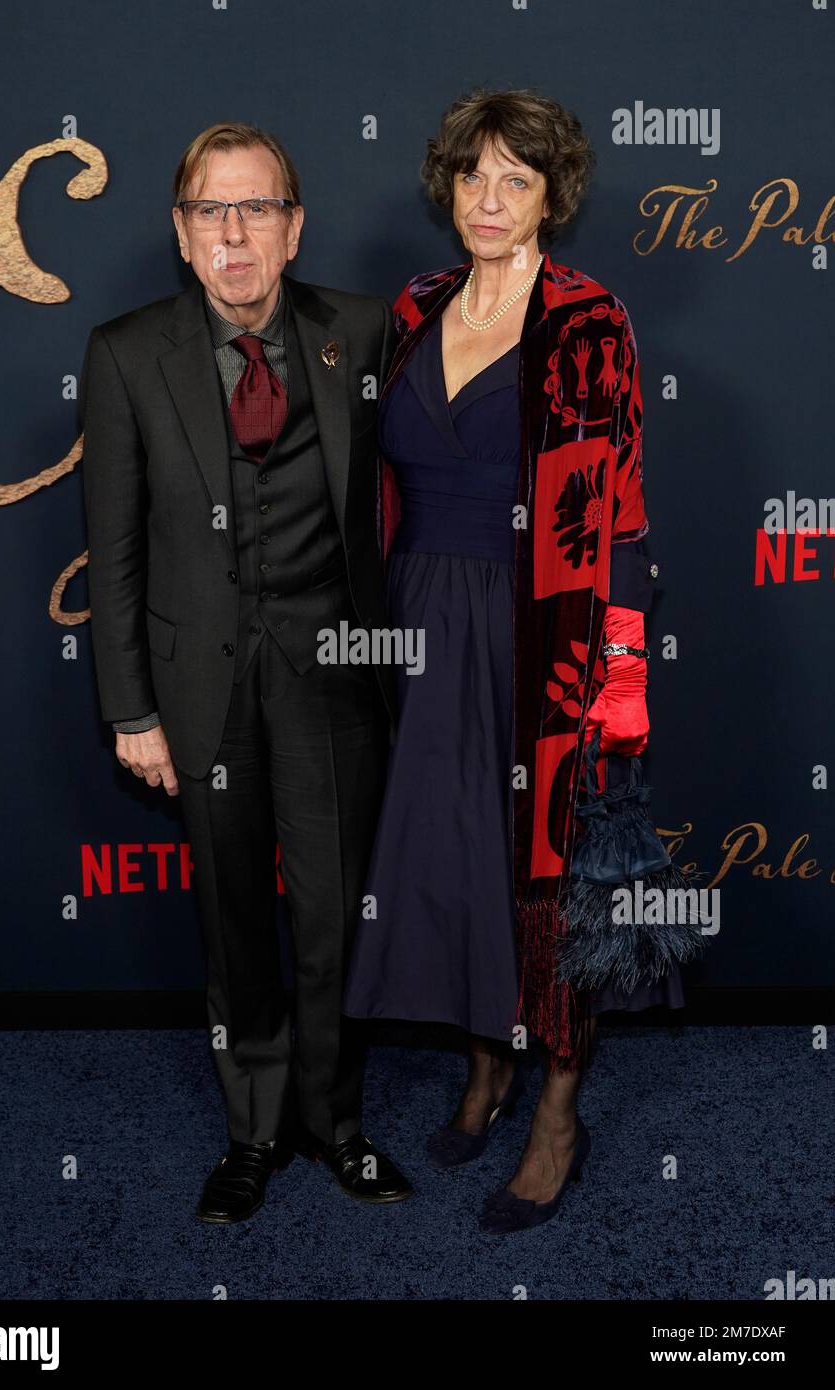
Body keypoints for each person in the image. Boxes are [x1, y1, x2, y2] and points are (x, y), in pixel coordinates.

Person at [344, 88, 680, 1234]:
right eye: (472, 177)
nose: (489, 201)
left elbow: (621, 511)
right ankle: (487, 1063)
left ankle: (557, 1111)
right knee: (451, 855)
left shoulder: (590, 321)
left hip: (540, 634)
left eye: (517, 181)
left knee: (549, 869)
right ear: (446, 186)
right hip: (416, 619)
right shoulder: (413, 303)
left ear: (552, 197)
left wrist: (617, 681)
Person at [80, 121, 412, 1225]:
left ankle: (337, 1123)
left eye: (256, 209)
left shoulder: (360, 335)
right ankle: (255, 1133)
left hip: (333, 682)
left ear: (293, 226)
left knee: (331, 914)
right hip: (197, 694)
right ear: (180, 234)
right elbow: (114, 549)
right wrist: (131, 709)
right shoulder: (127, 354)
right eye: (210, 212)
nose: (234, 233)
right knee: (234, 922)